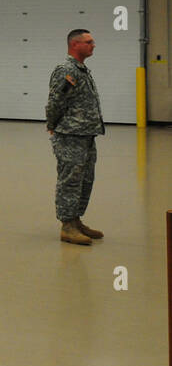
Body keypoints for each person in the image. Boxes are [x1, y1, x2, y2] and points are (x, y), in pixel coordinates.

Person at [46, 29, 106, 246]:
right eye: (88, 42)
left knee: (85, 180)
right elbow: (55, 101)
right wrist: (52, 124)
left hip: (86, 134)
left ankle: (76, 220)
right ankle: (67, 226)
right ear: (75, 45)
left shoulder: (82, 70)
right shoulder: (65, 70)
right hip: (70, 135)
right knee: (70, 180)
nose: (93, 45)